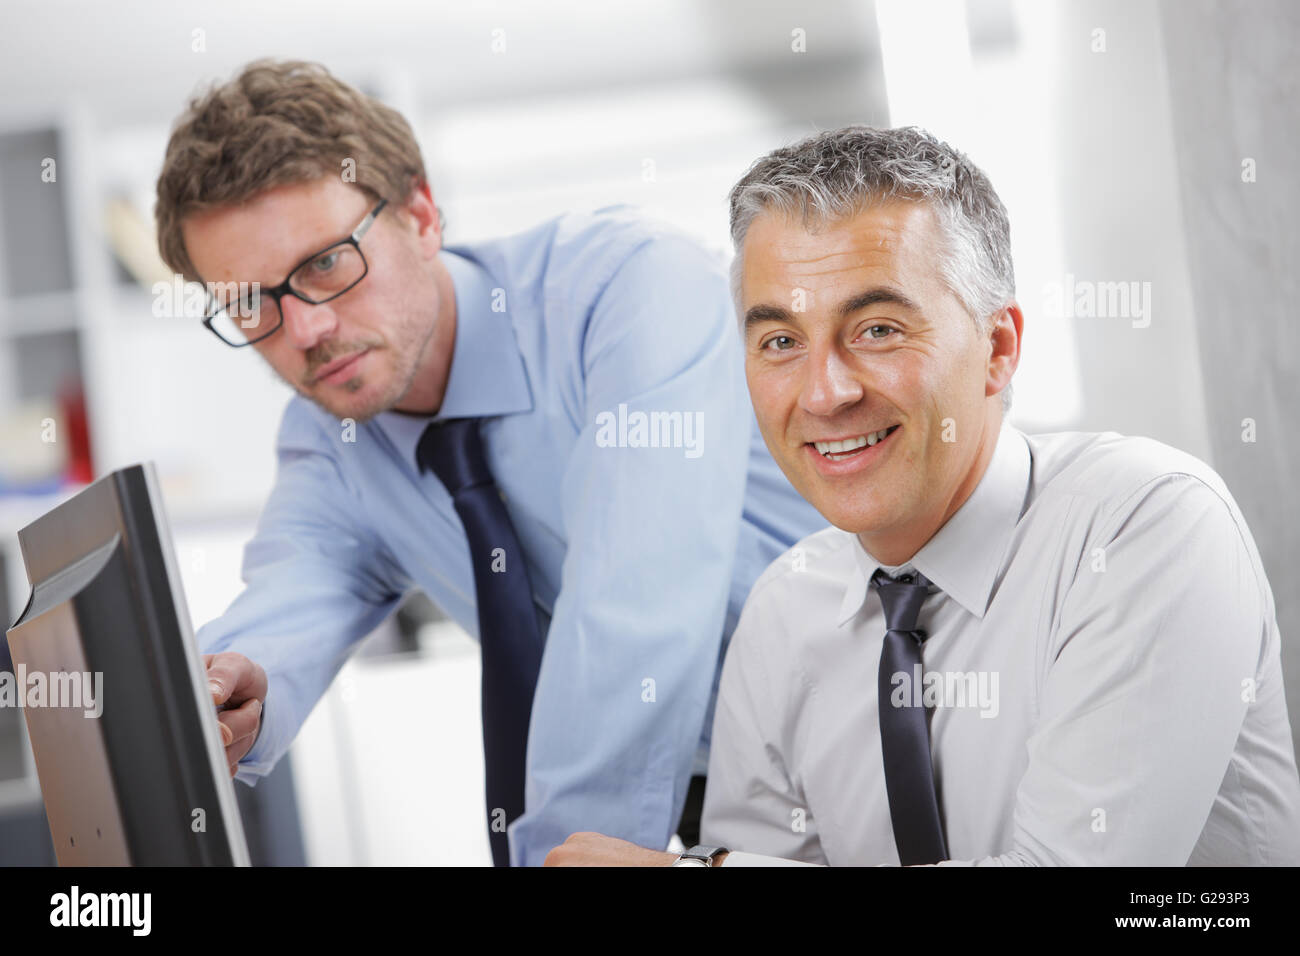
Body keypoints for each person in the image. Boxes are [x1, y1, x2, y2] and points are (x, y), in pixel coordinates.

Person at [545, 125, 1300, 866]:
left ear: (997, 349)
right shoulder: (784, 612)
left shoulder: (1146, 526)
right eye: (780, 342)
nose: (824, 393)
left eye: (875, 329)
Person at [153, 59, 824, 866]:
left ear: (422, 215)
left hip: (864, 742)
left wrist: (552, 856)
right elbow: (294, 594)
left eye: (325, 263)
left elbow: (635, 606)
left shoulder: (629, 289)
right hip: (702, 809)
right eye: (250, 304)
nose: (303, 331)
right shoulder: (329, 442)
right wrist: (232, 692)